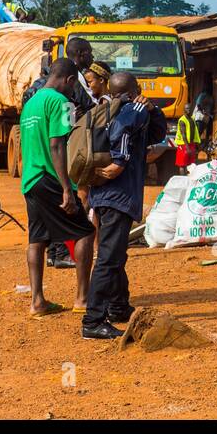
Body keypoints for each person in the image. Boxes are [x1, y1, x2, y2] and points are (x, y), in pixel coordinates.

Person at [81, 72, 167, 339]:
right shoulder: (132, 108)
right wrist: (121, 159)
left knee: (115, 253)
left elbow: (156, 132)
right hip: (120, 195)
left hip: (102, 193)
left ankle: (118, 307)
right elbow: (126, 131)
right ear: (135, 89)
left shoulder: (103, 110)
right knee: (108, 257)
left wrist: (153, 110)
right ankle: (93, 321)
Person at [18, 58, 96, 317]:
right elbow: (57, 145)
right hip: (51, 177)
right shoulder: (61, 102)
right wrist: (66, 188)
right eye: (74, 86)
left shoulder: (30, 104)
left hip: (30, 179)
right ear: (70, 80)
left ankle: (37, 301)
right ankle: (83, 299)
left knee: (37, 238)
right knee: (84, 232)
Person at [174, 94, 207, 169]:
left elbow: (194, 132)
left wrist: (197, 145)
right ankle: (183, 179)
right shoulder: (182, 120)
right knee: (182, 164)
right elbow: (183, 134)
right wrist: (187, 147)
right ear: (184, 110)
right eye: (187, 109)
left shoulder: (192, 119)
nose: (188, 110)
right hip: (183, 145)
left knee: (190, 164)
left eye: (189, 108)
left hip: (191, 144)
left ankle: (188, 179)